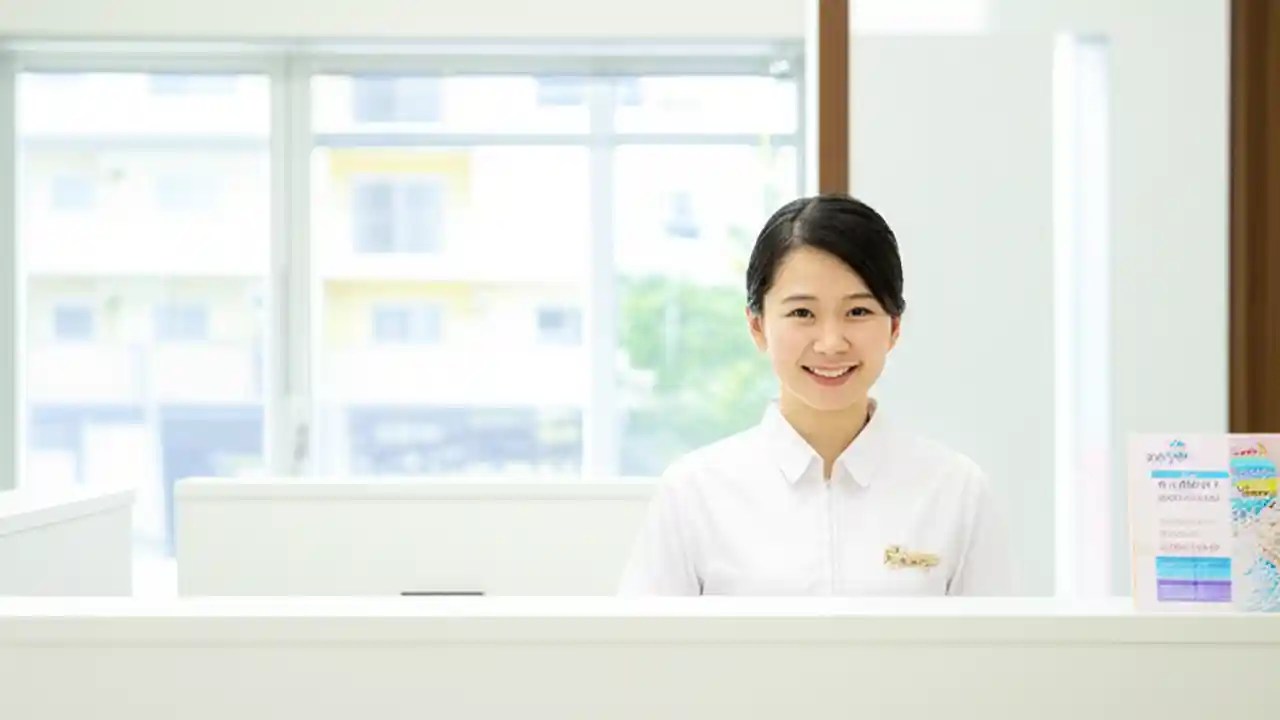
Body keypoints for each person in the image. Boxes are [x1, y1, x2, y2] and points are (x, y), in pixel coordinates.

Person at [618, 194, 1010, 596]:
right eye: (802, 313)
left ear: (894, 327)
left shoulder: (955, 491)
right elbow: (641, 637)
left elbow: (998, 637)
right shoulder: (694, 493)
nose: (831, 343)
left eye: (858, 312)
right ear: (757, 326)